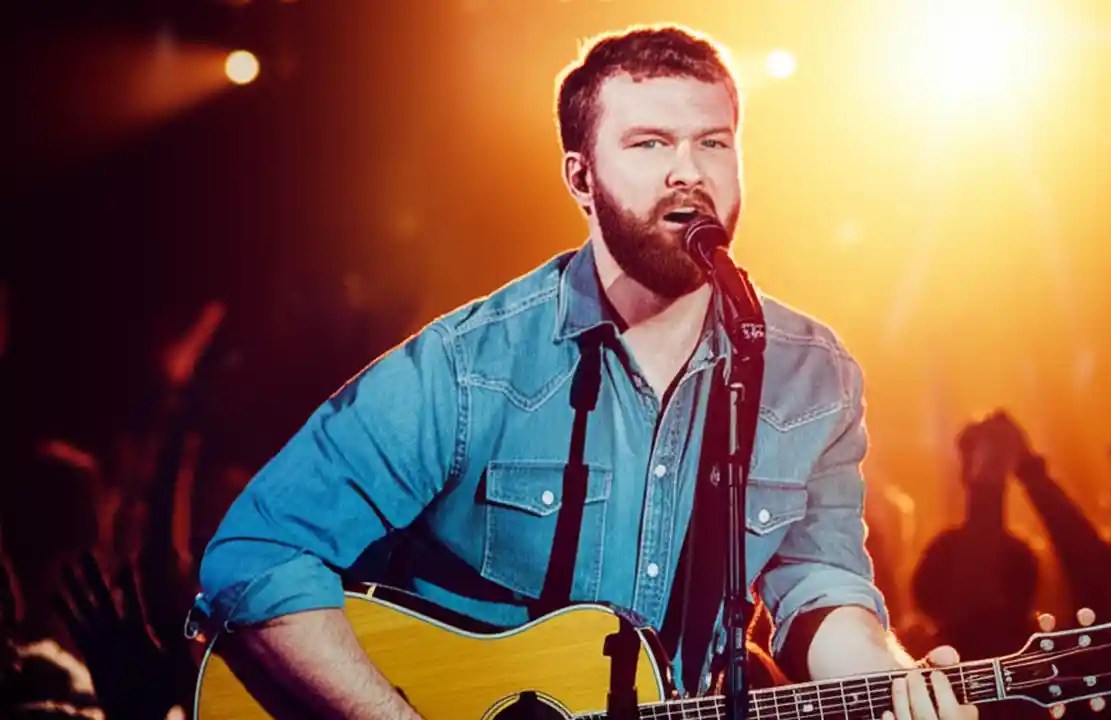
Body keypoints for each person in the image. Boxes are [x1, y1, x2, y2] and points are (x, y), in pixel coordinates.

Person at [195, 24, 976, 719]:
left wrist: (893, 682)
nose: (689, 173)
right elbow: (256, 554)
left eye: (714, 142)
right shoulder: (472, 364)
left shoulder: (813, 374)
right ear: (580, 179)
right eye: (649, 144)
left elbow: (820, 589)